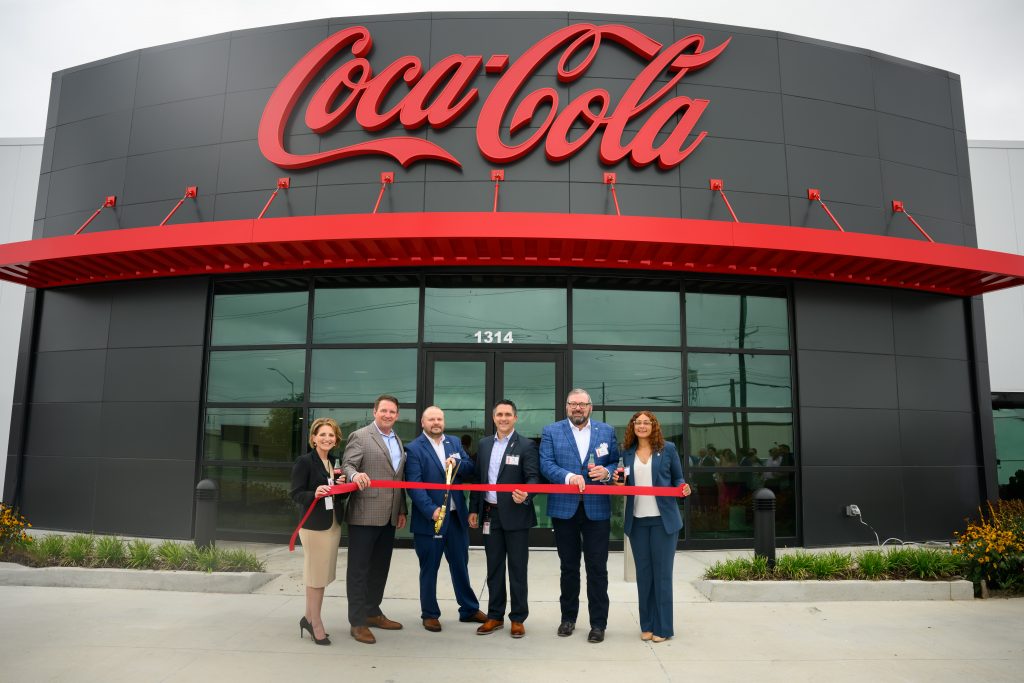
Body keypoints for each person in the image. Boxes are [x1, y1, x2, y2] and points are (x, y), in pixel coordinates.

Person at [539, 388, 618, 643]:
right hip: (565, 508)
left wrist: (606, 473)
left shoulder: (606, 431)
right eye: (573, 404)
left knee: (597, 568)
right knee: (568, 567)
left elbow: (617, 462)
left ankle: (598, 624)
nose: (577, 408)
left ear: (590, 407)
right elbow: (546, 464)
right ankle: (568, 618)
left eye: (582, 404)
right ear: (566, 407)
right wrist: (568, 477)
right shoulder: (552, 431)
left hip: (597, 509)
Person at [404, 406, 486, 632]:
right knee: (430, 567)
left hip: (456, 517)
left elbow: (470, 468)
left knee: (461, 565)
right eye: (431, 419)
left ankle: (468, 609)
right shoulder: (413, 449)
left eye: (439, 419)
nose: (436, 423)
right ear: (423, 422)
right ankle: (429, 613)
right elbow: (415, 485)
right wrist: (431, 510)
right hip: (430, 519)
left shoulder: (454, 443)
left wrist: (457, 464)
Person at [468, 400, 540, 638]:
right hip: (491, 514)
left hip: (517, 515)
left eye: (508, 414)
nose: (504, 418)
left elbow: (533, 477)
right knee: (494, 568)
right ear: (493, 417)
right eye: (499, 414)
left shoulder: (526, 445)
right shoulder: (485, 444)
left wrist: (526, 493)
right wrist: (474, 509)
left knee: (518, 569)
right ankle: (495, 616)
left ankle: (518, 618)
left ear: (515, 418)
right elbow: (479, 480)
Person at [617, 411, 690, 643]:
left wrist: (683, 487)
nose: (641, 426)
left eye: (646, 422)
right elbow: (622, 481)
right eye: (637, 422)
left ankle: (664, 628)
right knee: (644, 576)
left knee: (662, 576)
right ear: (633, 427)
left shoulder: (667, 449)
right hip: (637, 521)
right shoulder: (626, 452)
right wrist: (618, 482)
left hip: (663, 522)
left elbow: (678, 478)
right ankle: (647, 625)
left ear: (653, 426)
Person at [342, 395, 408, 645]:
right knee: (359, 570)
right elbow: (348, 465)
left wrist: (401, 509)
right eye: (384, 411)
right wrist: (355, 474)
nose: (388, 415)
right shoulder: (361, 436)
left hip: (389, 516)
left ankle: (372, 611)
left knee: (380, 568)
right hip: (364, 514)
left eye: (392, 412)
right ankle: (357, 621)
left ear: (397, 415)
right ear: (374, 412)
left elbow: (397, 479)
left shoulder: (398, 440)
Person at [289, 417, 348, 646]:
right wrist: (315, 492)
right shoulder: (305, 462)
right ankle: (316, 624)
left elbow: (338, 496)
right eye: (322, 434)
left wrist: (341, 486)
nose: (327, 438)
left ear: (336, 439)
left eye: (331, 435)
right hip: (314, 527)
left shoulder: (334, 462)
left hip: (332, 524)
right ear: (313, 438)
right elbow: (295, 493)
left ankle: (307, 617)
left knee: (319, 576)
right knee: (316, 577)